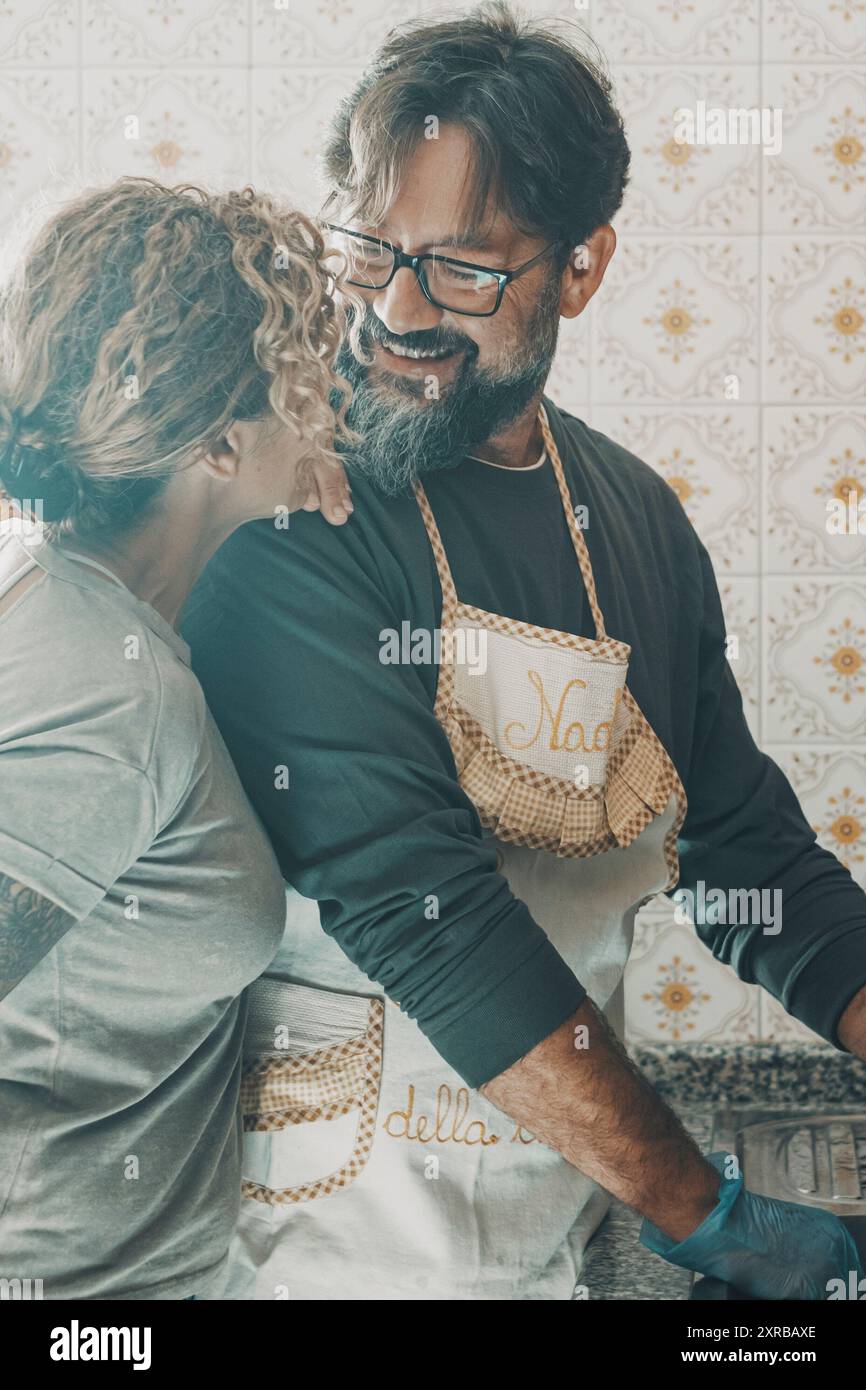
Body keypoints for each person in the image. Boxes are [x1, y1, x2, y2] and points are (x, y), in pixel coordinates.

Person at [182, 4, 866, 1300]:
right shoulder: (278, 498)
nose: (392, 309)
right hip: (315, 1240)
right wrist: (705, 1212)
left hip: (558, 1215)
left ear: (581, 268)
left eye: (459, 270)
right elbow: (425, 916)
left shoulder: (634, 524)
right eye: (369, 248)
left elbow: (740, 855)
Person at [0, 175, 356, 1299]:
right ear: (215, 441)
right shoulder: (115, 698)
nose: (332, 397)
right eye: (303, 368)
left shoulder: (78, 614)